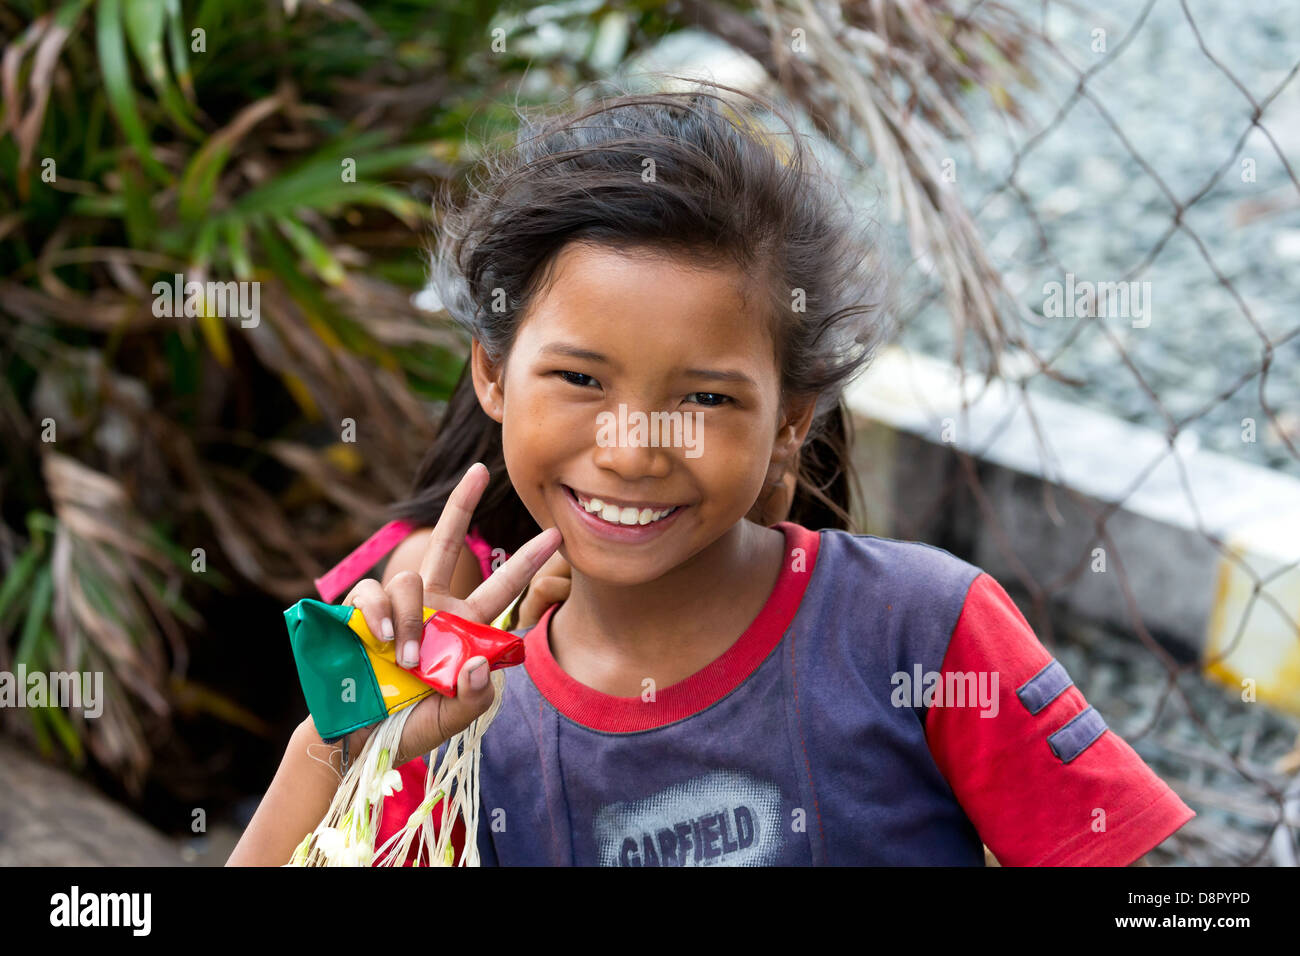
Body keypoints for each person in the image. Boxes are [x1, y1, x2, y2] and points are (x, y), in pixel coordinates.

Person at [228, 80, 1192, 867]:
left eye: (704, 399)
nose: (635, 446)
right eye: (579, 378)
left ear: (791, 421)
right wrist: (342, 746)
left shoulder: (922, 632)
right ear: (490, 372)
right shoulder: (466, 725)